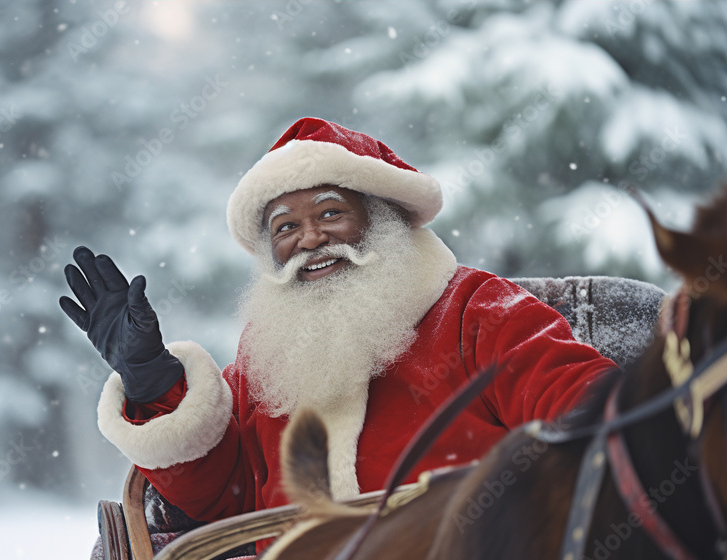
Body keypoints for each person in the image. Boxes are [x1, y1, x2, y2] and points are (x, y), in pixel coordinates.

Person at [59, 117, 616, 543]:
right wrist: (153, 383)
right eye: (286, 227)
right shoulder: (269, 355)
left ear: (381, 219)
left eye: (330, 214)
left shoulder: (477, 310)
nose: (310, 239)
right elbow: (225, 500)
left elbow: (586, 411)